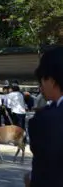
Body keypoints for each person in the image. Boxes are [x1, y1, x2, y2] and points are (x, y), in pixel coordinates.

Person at [27, 47, 63, 187]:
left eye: (41, 80)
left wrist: (30, 180)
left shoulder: (45, 121)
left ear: (51, 80)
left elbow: (45, 175)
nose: (41, 87)